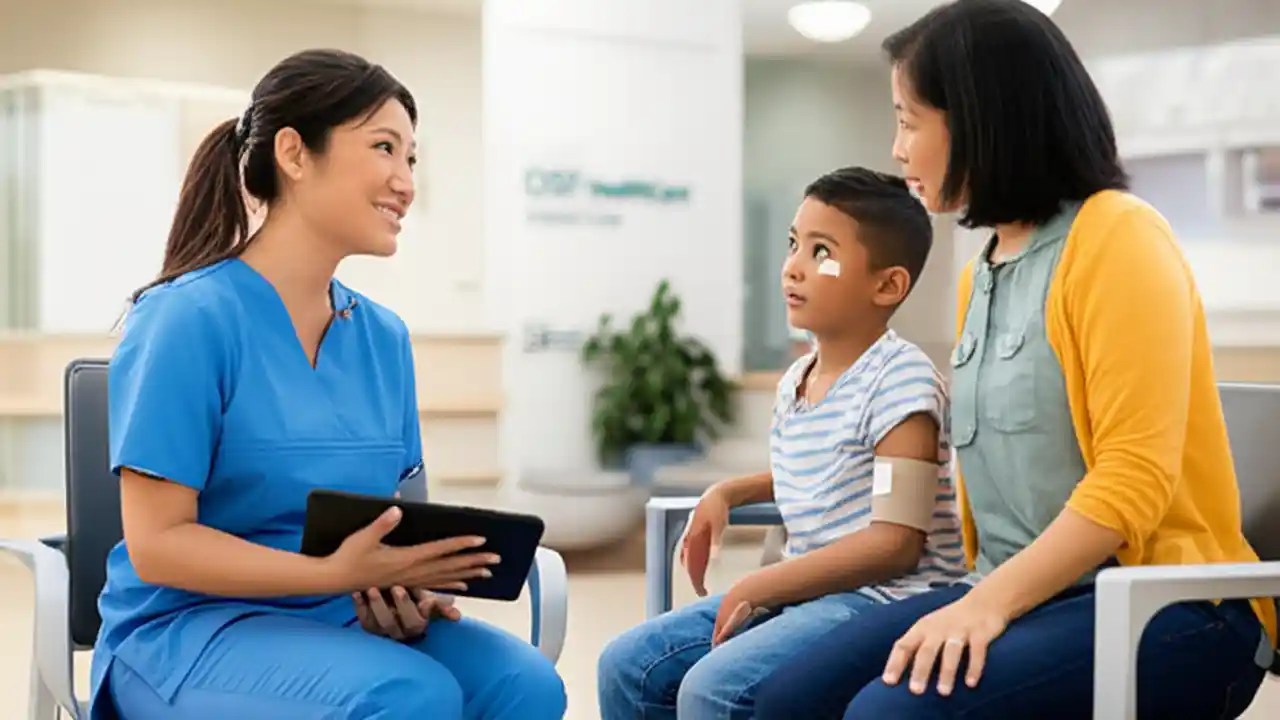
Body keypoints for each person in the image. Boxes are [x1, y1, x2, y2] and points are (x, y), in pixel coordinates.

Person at [752, 2, 1278, 718]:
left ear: (978, 120)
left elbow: (1132, 479)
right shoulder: (984, 270)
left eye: (909, 121)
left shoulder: (1119, 238)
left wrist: (986, 606)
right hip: (1023, 591)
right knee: (781, 701)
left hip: (1164, 604)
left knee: (891, 712)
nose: (897, 148)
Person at [89, 49, 567, 720]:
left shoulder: (383, 338)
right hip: (187, 631)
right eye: (383, 148)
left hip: (341, 616)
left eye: (412, 160)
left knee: (524, 684)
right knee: (409, 695)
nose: (405, 181)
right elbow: (159, 544)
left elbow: (396, 518)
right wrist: (333, 575)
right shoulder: (186, 318)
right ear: (293, 153)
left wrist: (400, 586)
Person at [596, 167, 968, 719]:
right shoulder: (799, 379)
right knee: (625, 664)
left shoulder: (901, 380)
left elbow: (896, 542)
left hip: (881, 599)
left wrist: (766, 583)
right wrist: (729, 492)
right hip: (807, 592)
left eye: (822, 253)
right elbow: (828, 471)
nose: (794, 267)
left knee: (711, 689)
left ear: (887, 285)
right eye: (794, 244)